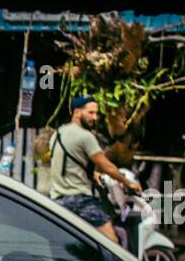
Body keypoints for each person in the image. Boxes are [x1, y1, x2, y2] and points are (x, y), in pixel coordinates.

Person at [49, 94, 141, 245]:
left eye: (96, 113)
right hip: (80, 201)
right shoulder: (85, 136)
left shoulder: (58, 133)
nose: (95, 117)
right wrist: (127, 182)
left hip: (58, 198)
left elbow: (68, 164)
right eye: (90, 113)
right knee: (112, 244)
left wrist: (93, 173)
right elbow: (107, 166)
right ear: (77, 112)